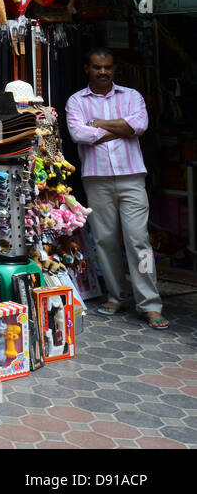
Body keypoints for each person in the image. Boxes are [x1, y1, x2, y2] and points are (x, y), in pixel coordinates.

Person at [65, 47, 167, 330]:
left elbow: (140, 125)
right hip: (96, 179)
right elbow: (77, 134)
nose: (103, 72)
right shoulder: (76, 101)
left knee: (139, 241)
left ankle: (150, 303)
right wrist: (121, 128)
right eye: (97, 67)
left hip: (131, 177)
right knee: (105, 240)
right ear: (87, 68)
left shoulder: (132, 96)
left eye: (108, 67)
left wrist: (96, 125)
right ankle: (115, 295)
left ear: (114, 69)